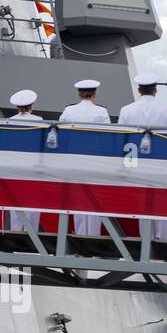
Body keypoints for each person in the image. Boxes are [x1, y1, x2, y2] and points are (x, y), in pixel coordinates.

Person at [118, 73, 167, 240]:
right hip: (163, 161)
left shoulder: (126, 110)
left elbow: (122, 139)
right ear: (155, 90)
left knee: (143, 202)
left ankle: (146, 237)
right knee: (162, 201)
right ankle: (162, 238)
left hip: (136, 161)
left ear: (139, 89)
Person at [60, 79, 109, 235]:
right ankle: (93, 234)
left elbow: (60, 133)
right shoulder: (101, 112)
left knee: (78, 197)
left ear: (79, 94)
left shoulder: (68, 111)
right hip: (95, 160)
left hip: (74, 160)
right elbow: (108, 136)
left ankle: (80, 232)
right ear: (94, 94)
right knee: (95, 198)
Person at [7, 89, 44, 233]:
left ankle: (15, 236)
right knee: (32, 206)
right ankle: (31, 237)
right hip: (33, 167)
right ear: (31, 105)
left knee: (15, 205)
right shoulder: (39, 121)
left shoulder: (10, 121)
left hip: (15, 168)